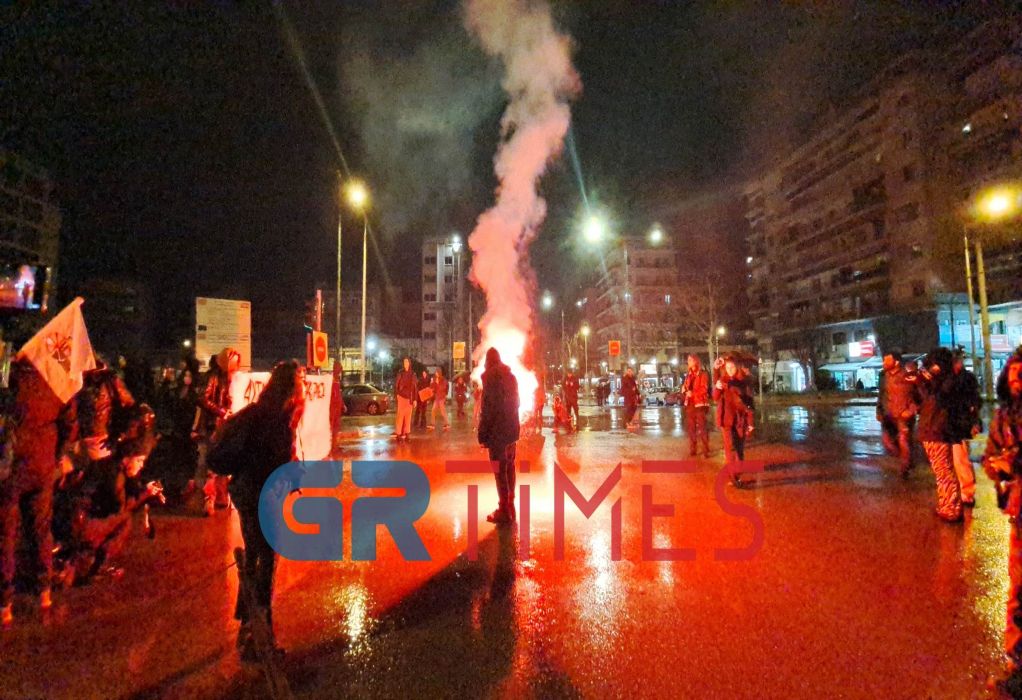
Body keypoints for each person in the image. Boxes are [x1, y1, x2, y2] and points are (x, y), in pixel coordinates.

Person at [229, 360, 304, 660]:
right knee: (265, 564)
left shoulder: (261, 410)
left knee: (254, 559)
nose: (301, 385)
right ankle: (261, 636)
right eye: (298, 379)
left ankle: (248, 625)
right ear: (290, 385)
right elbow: (278, 462)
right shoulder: (279, 418)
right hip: (262, 496)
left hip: (246, 493)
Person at [1, 360, 78, 625]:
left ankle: (5, 604)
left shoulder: (9, 381)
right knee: (41, 529)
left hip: (11, 469)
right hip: (43, 467)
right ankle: (44, 590)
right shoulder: (53, 381)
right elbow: (70, 423)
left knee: (6, 535)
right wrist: (56, 455)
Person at [982, 349, 1022, 687]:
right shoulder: (1003, 417)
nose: (1016, 382)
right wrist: (998, 467)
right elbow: (990, 455)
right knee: (1018, 594)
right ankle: (1017, 667)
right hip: (1019, 515)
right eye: (1011, 376)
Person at [916, 347, 963, 523]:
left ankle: (951, 508)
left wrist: (929, 380)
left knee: (944, 470)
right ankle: (947, 504)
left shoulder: (947, 381)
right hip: (933, 429)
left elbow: (939, 399)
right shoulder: (941, 381)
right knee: (942, 471)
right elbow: (924, 399)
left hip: (937, 430)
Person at [194, 348, 240, 516]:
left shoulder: (229, 379)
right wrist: (221, 411)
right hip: (212, 426)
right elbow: (201, 398)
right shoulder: (213, 377)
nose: (236, 367)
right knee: (209, 463)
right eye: (234, 362)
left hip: (223, 426)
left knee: (220, 462)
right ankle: (209, 500)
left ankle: (219, 497)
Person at [478, 348, 520, 525]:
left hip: (498, 434)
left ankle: (503, 510)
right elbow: (518, 402)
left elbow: (488, 411)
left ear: (488, 362)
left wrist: (482, 435)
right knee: (509, 468)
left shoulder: (491, 380)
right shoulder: (511, 377)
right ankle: (510, 506)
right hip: (511, 432)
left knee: (499, 472)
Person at [876, 349, 919, 478]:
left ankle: (904, 468)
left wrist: (912, 409)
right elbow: (882, 394)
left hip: (904, 415)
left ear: (896, 362)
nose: (884, 362)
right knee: (887, 442)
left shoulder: (907, 374)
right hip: (888, 415)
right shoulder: (884, 376)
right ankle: (906, 458)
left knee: (903, 440)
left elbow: (918, 393)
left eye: (887, 360)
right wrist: (879, 410)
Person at [713, 356, 755, 487]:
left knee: (739, 449)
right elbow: (715, 397)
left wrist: (751, 422)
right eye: (727, 368)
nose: (730, 370)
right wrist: (718, 387)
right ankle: (734, 478)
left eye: (732, 367)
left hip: (740, 420)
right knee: (729, 449)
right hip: (726, 420)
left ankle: (736, 474)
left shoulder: (744, 382)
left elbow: (750, 404)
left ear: (737, 367)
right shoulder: (722, 380)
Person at [948, 349, 982, 508]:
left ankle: (967, 492)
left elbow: (974, 401)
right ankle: (963, 491)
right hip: (953, 424)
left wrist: (974, 422)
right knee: (958, 459)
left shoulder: (965, 378)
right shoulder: (952, 378)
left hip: (960, 424)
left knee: (960, 458)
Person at [682, 354, 711, 458]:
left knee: (702, 427)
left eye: (690, 360)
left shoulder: (703, 374)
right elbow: (686, 387)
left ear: (696, 361)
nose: (688, 362)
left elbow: (704, 389)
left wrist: (692, 393)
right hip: (690, 404)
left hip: (700, 404)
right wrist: (684, 390)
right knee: (691, 428)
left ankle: (705, 449)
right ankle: (693, 448)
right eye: (688, 360)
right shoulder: (688, 375)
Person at [393, 358, 416, 441]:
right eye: (404, 362)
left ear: (409, 363)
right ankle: (398, 434)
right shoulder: (401, 373)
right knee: (400, 416)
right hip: (401, 397)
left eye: (407, 362)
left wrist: (415, 399)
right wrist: (397, 395)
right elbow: (396, 385)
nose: (405, 363)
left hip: (409, 398)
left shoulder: (413, 374)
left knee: (408, 417)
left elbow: (414, 388)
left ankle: (407, 434)